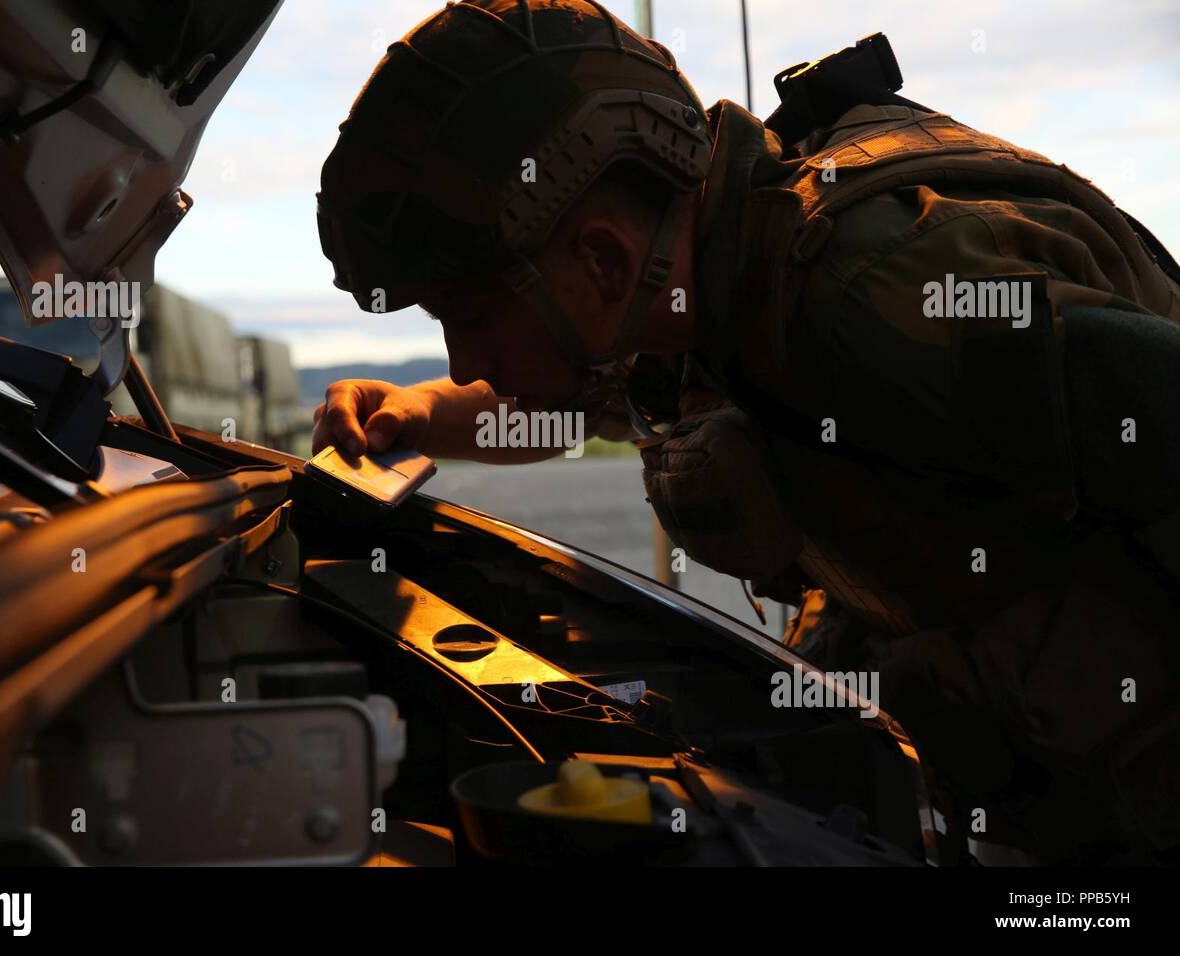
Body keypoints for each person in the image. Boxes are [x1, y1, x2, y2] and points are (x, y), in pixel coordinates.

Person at [314, 0, 1180, 862]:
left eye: (467, 316)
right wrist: (421, 411)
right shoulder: (690, 297)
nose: (461, 358)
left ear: (604, 261)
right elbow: (574, 407)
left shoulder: (877, 301)